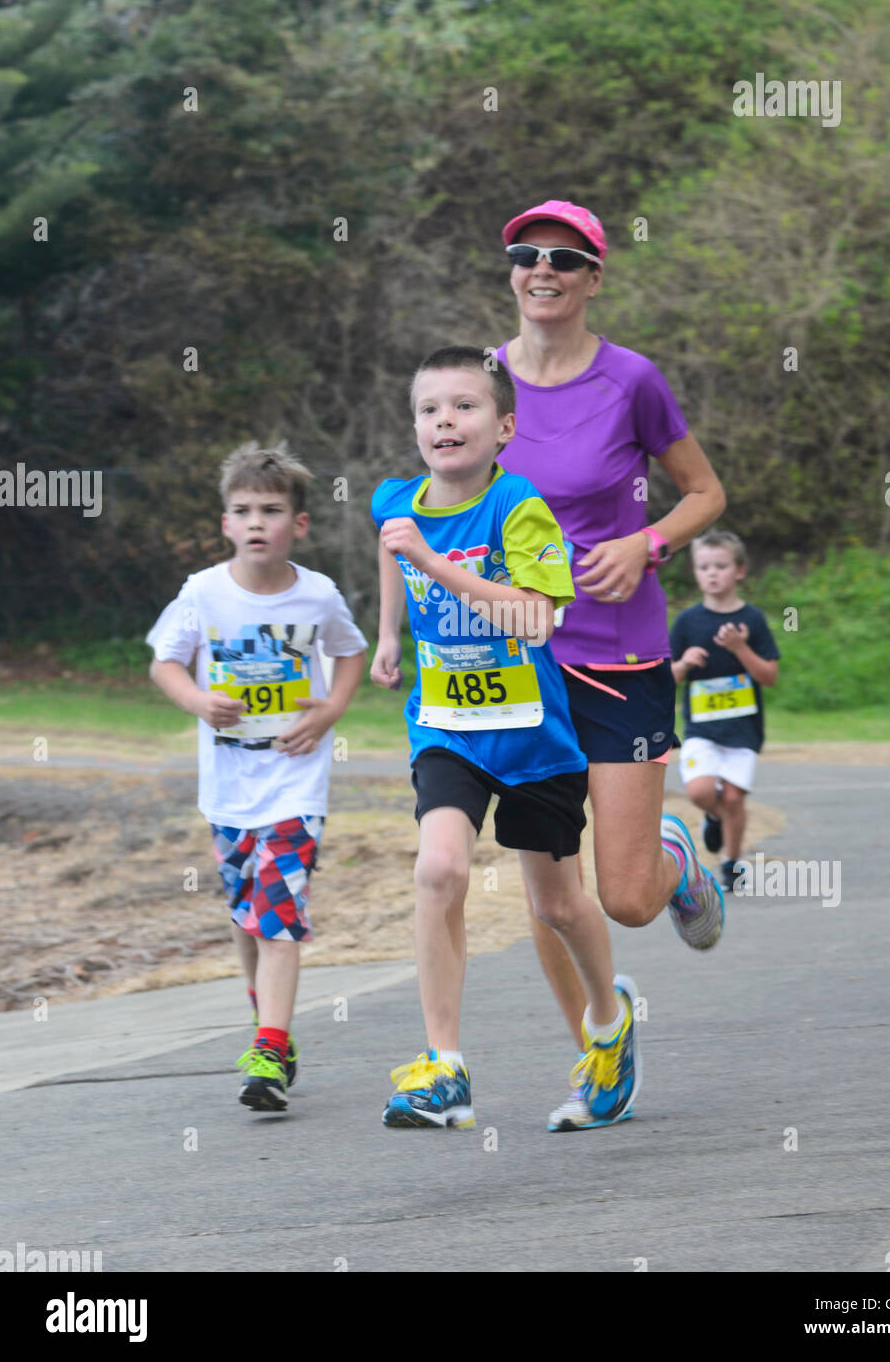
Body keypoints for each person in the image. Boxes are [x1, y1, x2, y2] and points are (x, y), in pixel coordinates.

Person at [492, 199, 728, 1129]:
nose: (539, 269)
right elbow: (440, 507)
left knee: (624, 900)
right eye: (524, 254)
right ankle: (601, 1053)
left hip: (623, 653)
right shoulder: (480, 382)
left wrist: (648, 544)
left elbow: (704, 492)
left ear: (593, 277)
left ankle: (675, 859)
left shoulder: (632, 381)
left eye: (562, 257)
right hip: (520, 666)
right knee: (551, 894)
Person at [370, 346, 641, 1132]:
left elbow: (534, 617)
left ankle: (605, 1028)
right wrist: (389, 634)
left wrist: (434, 562)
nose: (444, 421)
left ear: (504, 427)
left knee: (557, 904)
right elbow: (393, 548)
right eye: (429, 409)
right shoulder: (396, 500)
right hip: (446, 726)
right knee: (438, 868)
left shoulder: (518, 508)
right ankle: (443, 1068)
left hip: (531, 733)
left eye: (464, 406)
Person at [146, 441, 368, 1112]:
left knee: (277, 916)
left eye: (270, 511)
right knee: (247, 918)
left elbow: (350, 654)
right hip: (227, 790)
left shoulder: (318, 596)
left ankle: (270, 1049)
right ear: (224, 524)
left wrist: (327, 710)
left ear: (298, 523)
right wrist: (197, 700)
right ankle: (263, 1021)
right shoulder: (204, 593)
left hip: (295, 786)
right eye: (241, 510)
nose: (255, 522)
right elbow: (166, 662)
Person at [670, 530, 780, 892]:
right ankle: (714, 818)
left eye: (721, 566)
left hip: (744, 729)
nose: (712, 573)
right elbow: (666, 677)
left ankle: (731, 864)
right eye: (704, 567)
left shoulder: (753, 619)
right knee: (701, 792)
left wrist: (740, 649)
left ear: (740, 571)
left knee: (734, 796)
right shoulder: (687, 622)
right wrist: (684, 663)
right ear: (696, 572)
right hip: (701, 727)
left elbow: (769, 677)